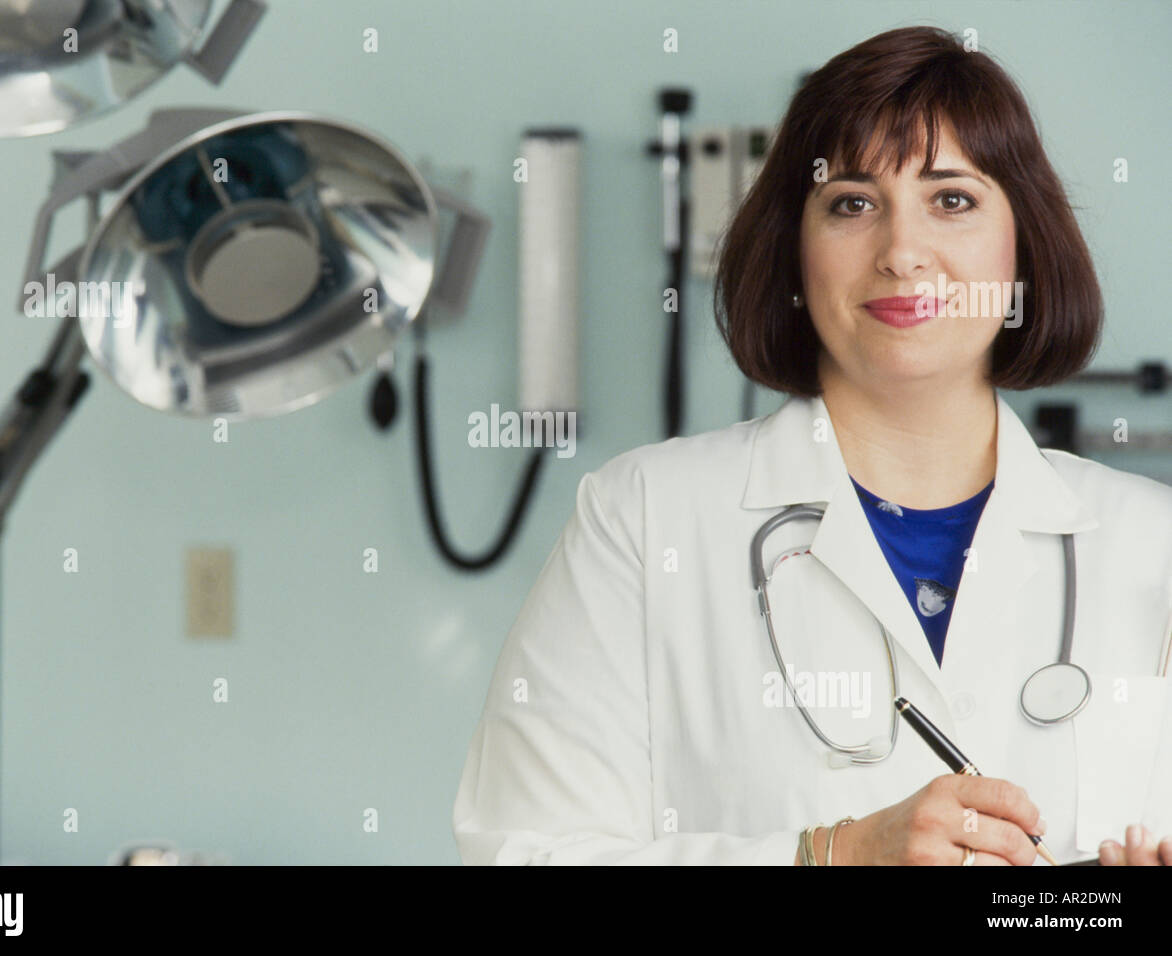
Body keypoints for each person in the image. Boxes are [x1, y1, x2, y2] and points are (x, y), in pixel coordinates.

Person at [451, 25, 1172, 865]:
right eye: (853, 203)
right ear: (796, 254)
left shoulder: (1152, 543)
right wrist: (830, 857)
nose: (903, 253)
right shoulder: (645, 521)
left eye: (952, 199)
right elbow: (525, 853)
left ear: (1023, 251)